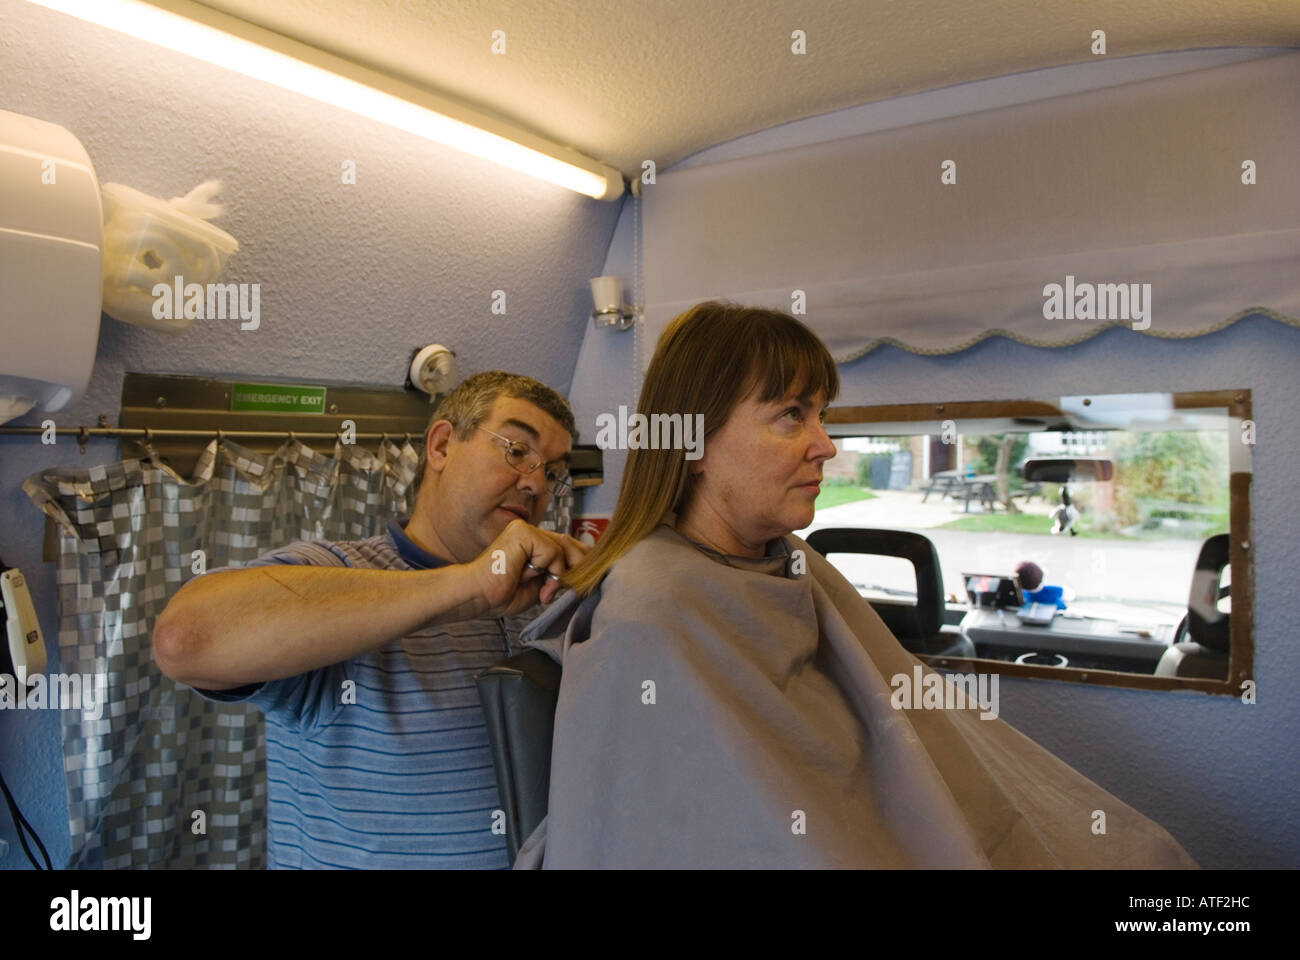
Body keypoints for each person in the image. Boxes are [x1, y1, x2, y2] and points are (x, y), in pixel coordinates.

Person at [514, 302, 1197, 869]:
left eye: (822, 416)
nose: (826, 444)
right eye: (791, 415)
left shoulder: (787, 564)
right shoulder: (651, 610)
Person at [152, 371, 588, 868]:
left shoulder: (541, 601)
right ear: (442, 446)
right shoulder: (340, 573)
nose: (535, 483)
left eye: (552, 471)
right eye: (515, 449)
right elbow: (185, 638)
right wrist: (469, 586)